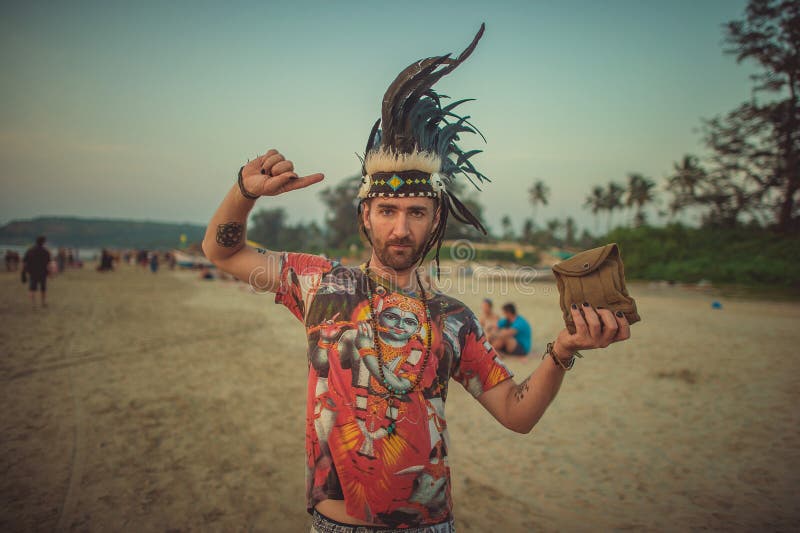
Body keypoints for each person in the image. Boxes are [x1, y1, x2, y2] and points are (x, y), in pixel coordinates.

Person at [203, 24, 630, 532]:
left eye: (416, 212)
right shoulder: (320, 285)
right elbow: (223, 251)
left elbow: (517, 414)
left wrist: (562, 352)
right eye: (386, 210)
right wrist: (243, 193)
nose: (400, 228)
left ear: (436, 219)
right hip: (336, 522)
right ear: (365, 214)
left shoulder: (454, 319)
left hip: (429, 525)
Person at [23, 236, 51, 307]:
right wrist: (50, 272)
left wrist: (24, 271)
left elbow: (25, 262)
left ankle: (33, 304)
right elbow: (48, 263)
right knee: (43, 288)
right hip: (43, 272)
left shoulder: (30, 250)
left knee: (32, 288)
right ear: (43, 242)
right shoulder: (46, 251)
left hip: (32, 272)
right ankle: (43, 302)